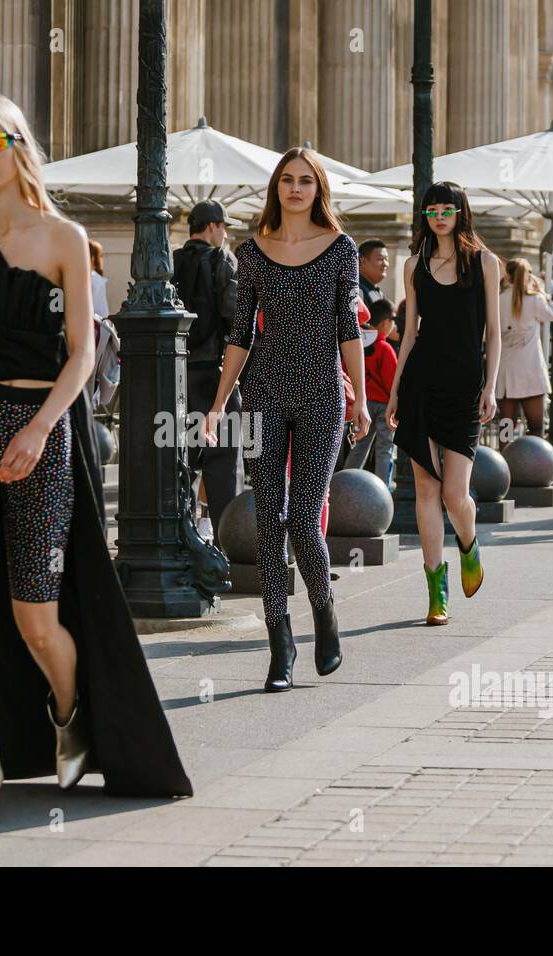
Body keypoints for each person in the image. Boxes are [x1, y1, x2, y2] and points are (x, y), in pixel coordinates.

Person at [0, 94, 192, 833]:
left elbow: (84, 354)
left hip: (43, 431)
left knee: (35, 618)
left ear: (21, 145)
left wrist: (40, 428)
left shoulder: (64, 238)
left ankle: (69, 708)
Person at [205, 147, 370, 692]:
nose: (295, 189)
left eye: (305, 181)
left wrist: (362, 401)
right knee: (267, 521)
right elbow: (240, 335)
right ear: (276, 188)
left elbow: (348, 328)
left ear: (318, 189)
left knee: (304, 517)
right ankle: (280, 644)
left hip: (322, 392)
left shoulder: (341, 249)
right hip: (264, 391)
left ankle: (324, 612)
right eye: (287, 180)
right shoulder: (252, 252)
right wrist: (217, 402)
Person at [387, 181, 501, 626]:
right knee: (426, 490)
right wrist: (396, 389)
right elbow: (410, 332)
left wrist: (490, 387)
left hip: (464, 386)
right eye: (432, 210)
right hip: (420, 383)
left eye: (446, 210)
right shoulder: (414, 265)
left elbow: (492, 332)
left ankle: (469, 544)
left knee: (456, 495)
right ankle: (437, 591)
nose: (439, 217)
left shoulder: (485, 263)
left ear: (460, 213)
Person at [172, 199, 244, 541]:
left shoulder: (169, 262)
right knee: (222, 460)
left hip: (176, 376)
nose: (226, 234)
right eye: (225, 227)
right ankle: (225, 539)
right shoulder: (224, 261)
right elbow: (236, 318)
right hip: (217, 375)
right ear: (213, 226)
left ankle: (180, 532)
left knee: (178, 456)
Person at [494, 257, 553, 447]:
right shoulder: (535, 299)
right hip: (531, 371)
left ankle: (505, 466)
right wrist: (544, 293)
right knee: (536, 426)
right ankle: (536, 466)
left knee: (506, 427)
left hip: (506, 372)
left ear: (507, 275)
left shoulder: (498, 299)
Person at [343, 298, 399, 487]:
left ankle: (346, 483)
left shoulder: (356, 346)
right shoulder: (384, 348)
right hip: (384, 405)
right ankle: (382, 489)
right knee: (385, 448)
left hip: (363, 403)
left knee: (359, 446)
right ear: (385, 323)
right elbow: (393, 381)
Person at [358, 238, 389, 307]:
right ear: (363, 261)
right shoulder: (357, 291)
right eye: (380, 259)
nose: (385, 264)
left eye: (386, 259)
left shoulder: (377, 291)